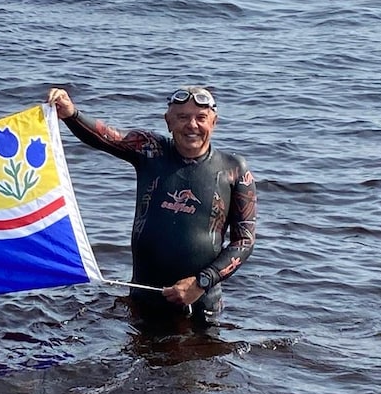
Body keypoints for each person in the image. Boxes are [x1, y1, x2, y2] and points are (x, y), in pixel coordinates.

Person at [46, 85, 257, 324]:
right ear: (168, 122)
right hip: (143, 300)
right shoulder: (151, 150)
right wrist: (71, 114)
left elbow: (244, 241)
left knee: (199, 359)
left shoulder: (234, 169)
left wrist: (201, 282)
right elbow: (107, 138)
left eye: (201, 118)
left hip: (200, 308)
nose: (192, 125)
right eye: (182, 117)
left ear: (214, 122)